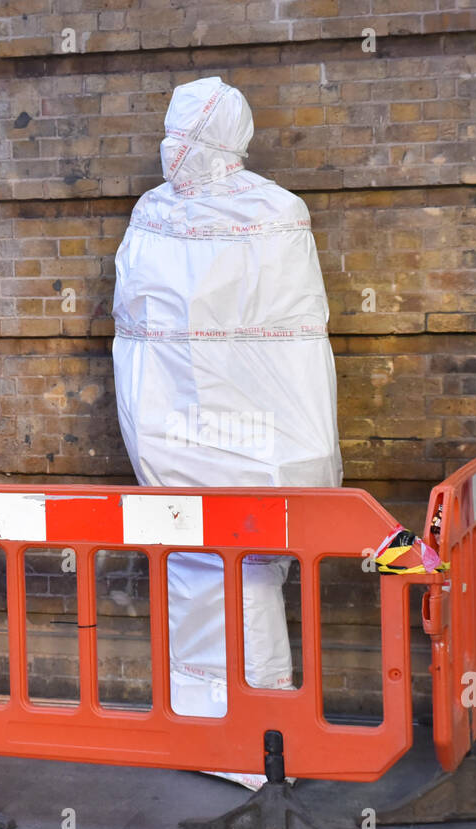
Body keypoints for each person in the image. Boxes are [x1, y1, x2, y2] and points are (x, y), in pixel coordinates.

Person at [111, 77, 341, 772]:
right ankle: (208, 732)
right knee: (193, 572)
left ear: (217, 136)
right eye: (169, 133)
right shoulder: (152, 214)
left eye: (184, 135)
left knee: (246, 578)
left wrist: (300, 452)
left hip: (254, 446)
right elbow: (139, 331)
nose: (170, 149)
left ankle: (256, 737)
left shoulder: (276, 213)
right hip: (177, 440)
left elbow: (294, 340)